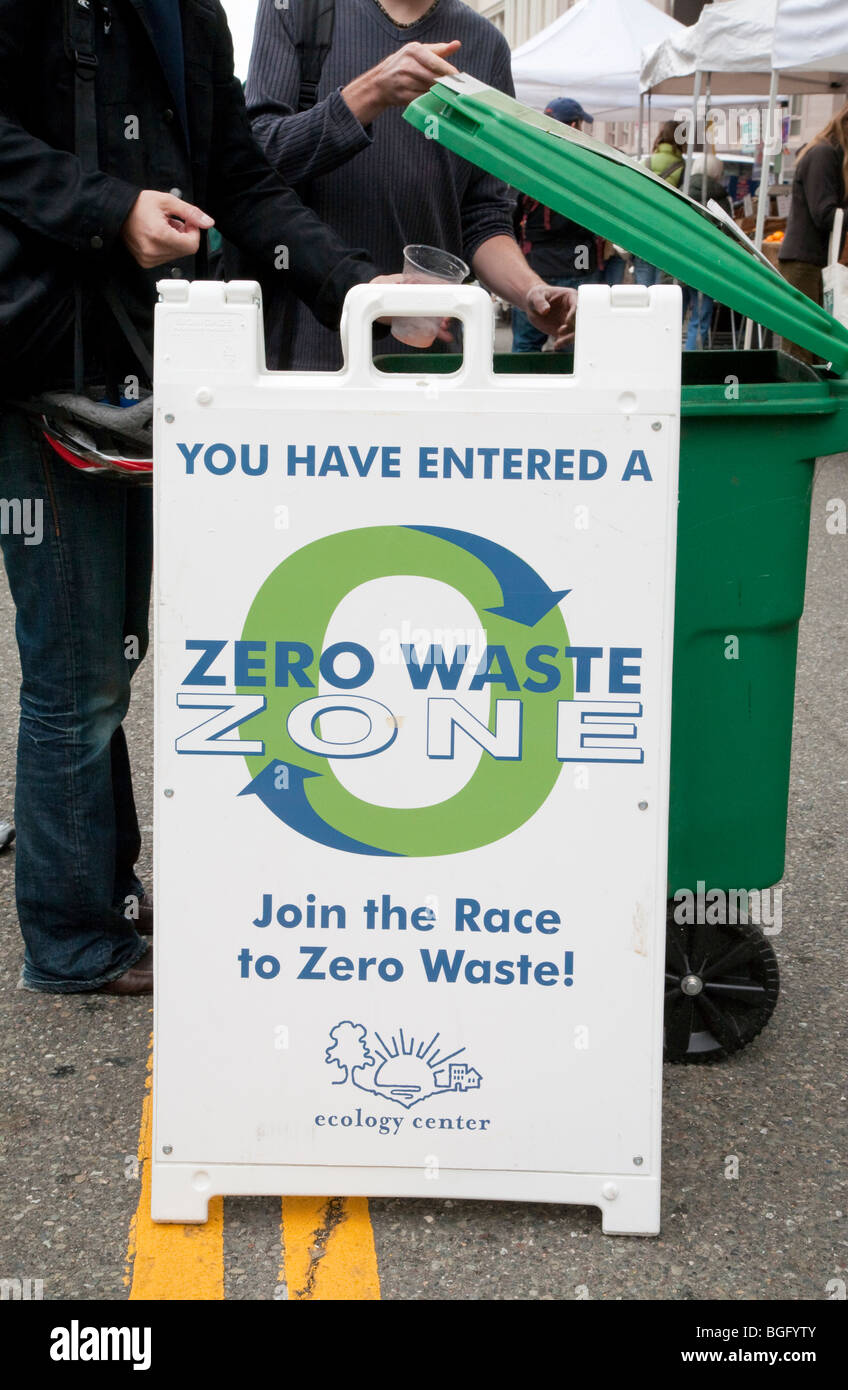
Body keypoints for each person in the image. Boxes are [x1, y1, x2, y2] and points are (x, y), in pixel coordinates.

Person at [0, 0, 390, 996]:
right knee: (77, 674)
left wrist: (358, 299)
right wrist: (108, 209)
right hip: (42, 362)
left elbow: (241, 180)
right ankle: (73, 939)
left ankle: (103, 899)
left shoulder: (184, 11)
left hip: (139, 367)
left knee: (107, 660)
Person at [242, 0, 578, 369]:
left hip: (429, 365)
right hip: (310, 355)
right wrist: (372, 92)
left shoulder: (486, 44)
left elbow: (483, 217)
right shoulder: (298, 11)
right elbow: (253, 165)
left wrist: (530, 291)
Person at [778, 95, 848, 363]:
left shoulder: (835, 156)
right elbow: (825, 215)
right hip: (804, 262)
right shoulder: (824, 154)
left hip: (814, 262)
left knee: (814, 346)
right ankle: (799, 402)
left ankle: (807, 402)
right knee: (803, 347)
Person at [511, 97, 599, 354]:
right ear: (573, 125)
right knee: (574, 343)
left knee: (526, 345)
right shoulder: (586, 165)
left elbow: (509, 219)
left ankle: (522, 391)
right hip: (577, 266)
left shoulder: (527, 163)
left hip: (535, 267)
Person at [681, 154, 732, 350]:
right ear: (716, 173)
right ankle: (691, 364)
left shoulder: (680, 189)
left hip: (677, 259)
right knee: (700, 318)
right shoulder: (719, 196)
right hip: (704, 262)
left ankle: (666, 361)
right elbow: (726, 231)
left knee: (671, 318)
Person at [633, 120, 686, 289]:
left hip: (643, 230)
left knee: (643, 288)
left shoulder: (645, 163)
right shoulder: (684, 168)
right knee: (664, 290)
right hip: (669, 235)